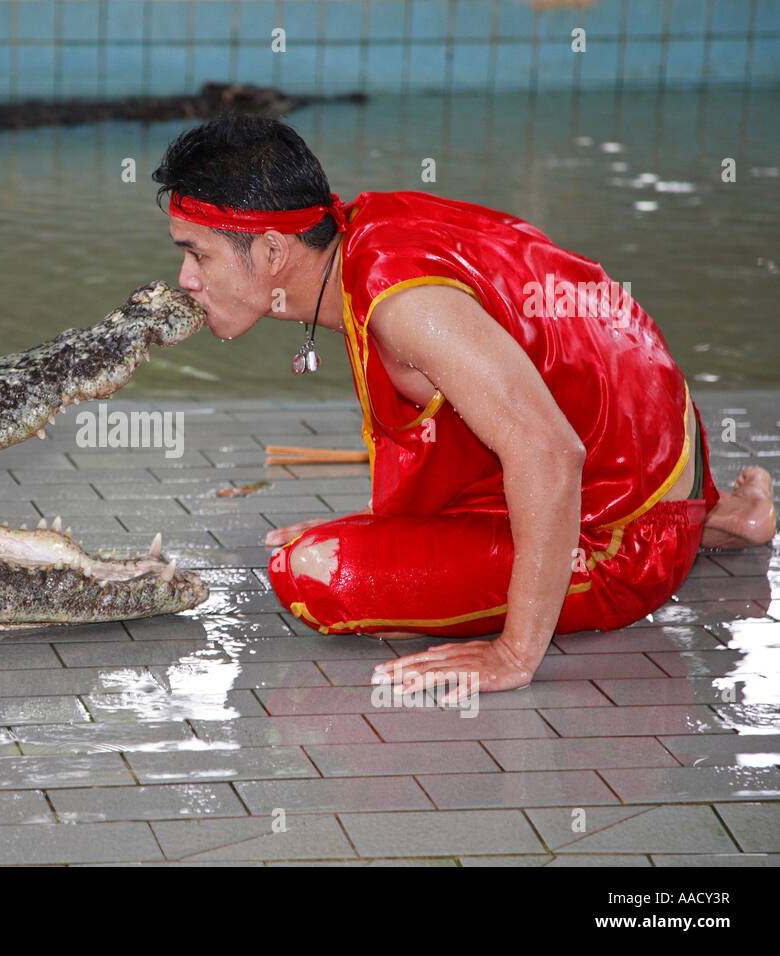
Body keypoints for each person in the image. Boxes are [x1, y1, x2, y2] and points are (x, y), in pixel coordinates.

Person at [152, 113, 776, 701]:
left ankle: (690, 527)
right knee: (419, 482)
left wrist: (515, 653)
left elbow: (551, 451)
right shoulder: (367, 228)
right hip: (655, 436)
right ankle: (721, 515)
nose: (185, 277)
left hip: (626, 536)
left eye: (197, 253)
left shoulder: (405, 309)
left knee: (313, 572)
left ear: (270, 252)